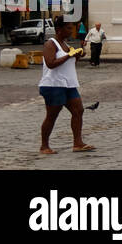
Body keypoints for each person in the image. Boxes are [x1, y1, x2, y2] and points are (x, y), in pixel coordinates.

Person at [38, 16, 93, 154]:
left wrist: (76, 55)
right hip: (53, 85)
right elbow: (50, 64)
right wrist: (68, 56)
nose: (71, 30)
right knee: (52, 115)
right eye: (69, 28)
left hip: (68, 84)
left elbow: (68, 64)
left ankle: (78, 143)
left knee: (78, 110)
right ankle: (44, 146)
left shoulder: (66, 45)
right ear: (59, 29)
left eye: (72, 27)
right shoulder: (50, 44)